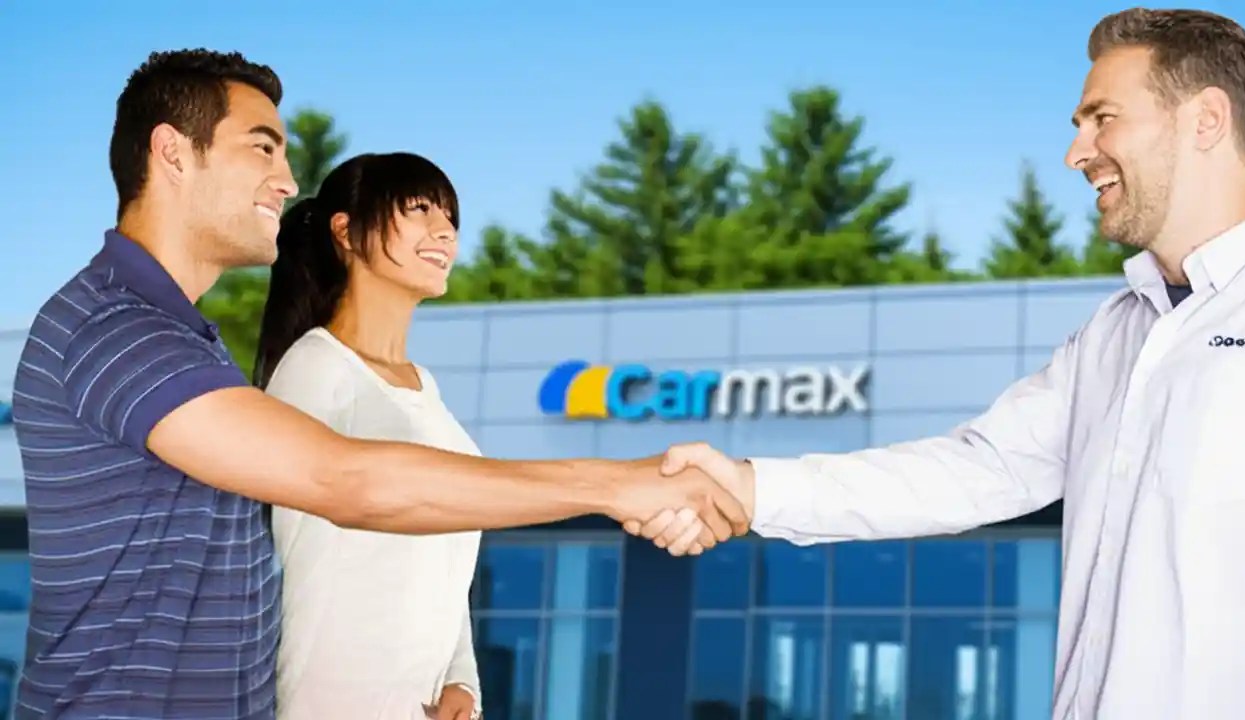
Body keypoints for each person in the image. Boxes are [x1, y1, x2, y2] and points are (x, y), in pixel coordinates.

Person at [9, 49, 747, 718]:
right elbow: (349, 485)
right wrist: (617, 486)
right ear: (172, 151)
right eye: (261, 148)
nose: (287, 180)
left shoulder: (184, 341)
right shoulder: (117, 331)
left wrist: (457, 672)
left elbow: (414, 531)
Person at [635, 8, 1245, 720]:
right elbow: (974, 470)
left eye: (1102, 118)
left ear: (1206, 120)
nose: (1077, 152)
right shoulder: (1114, 334)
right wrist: (751, 489)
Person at [255, 152, 485, 719]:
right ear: (346, 232)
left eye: (450, 217)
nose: (445, 232)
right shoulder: (314, 369)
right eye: (419, 208)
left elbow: (442, 555)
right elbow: (286, 567)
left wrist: (462, 680)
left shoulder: (425, 391)